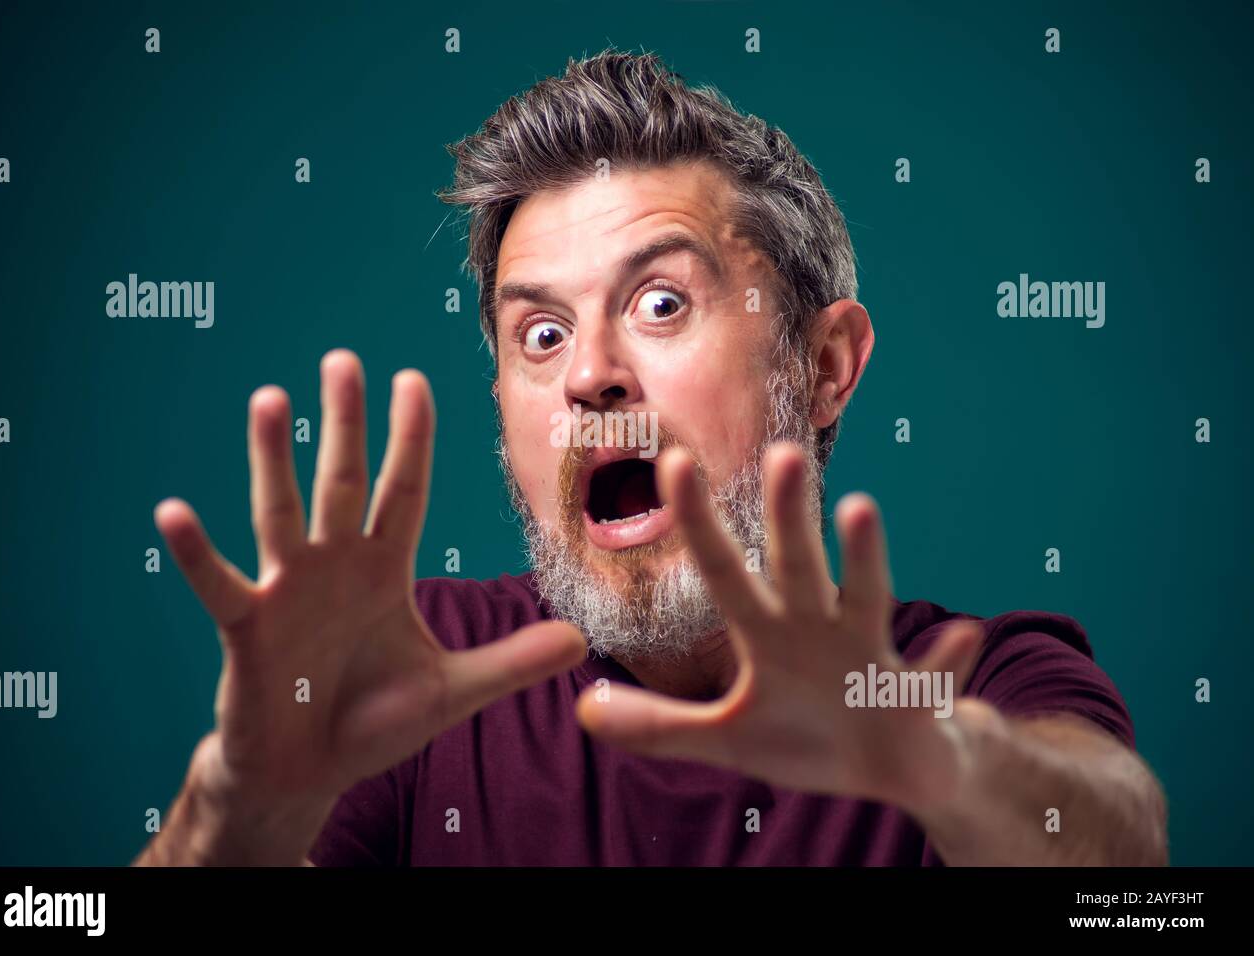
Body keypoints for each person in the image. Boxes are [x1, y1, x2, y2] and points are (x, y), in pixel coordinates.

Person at [135, 51, 1167, 866]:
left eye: (659, 303)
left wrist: (952, 768)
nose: (589, 372)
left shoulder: (967, 678)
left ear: (823, 364)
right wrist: (233, 815)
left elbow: (1124, 864)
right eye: (537, 333)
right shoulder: (419, 673)